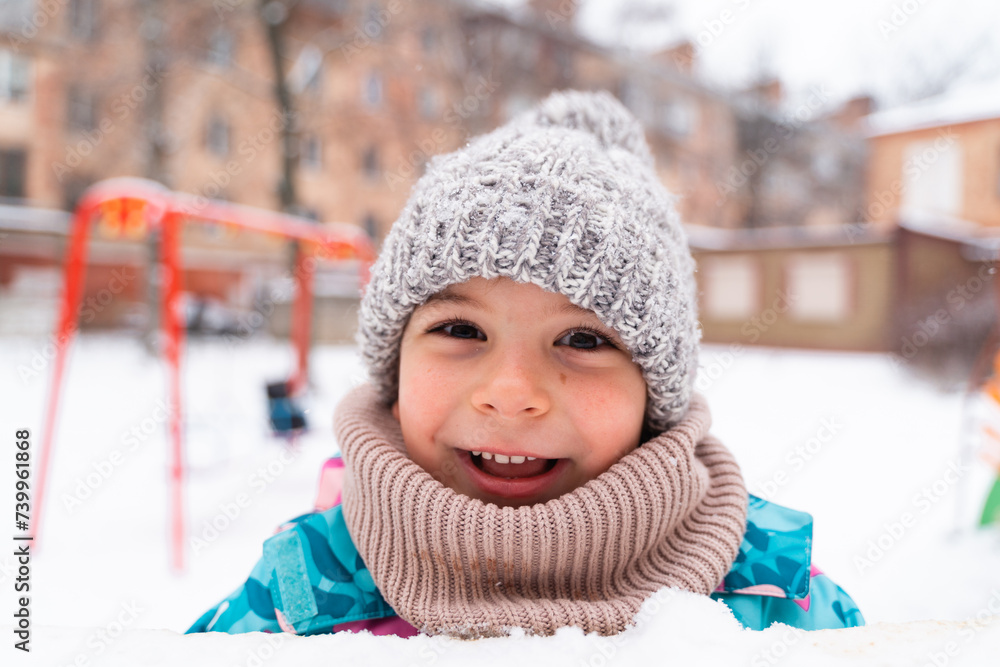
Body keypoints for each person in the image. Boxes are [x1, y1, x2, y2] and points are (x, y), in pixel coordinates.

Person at [187, 90, 863, 638]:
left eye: (583, 340)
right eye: (459, 328)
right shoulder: (297, 598)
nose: (511, 394)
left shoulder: (773, 601)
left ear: (653, 396)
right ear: (394, 370)